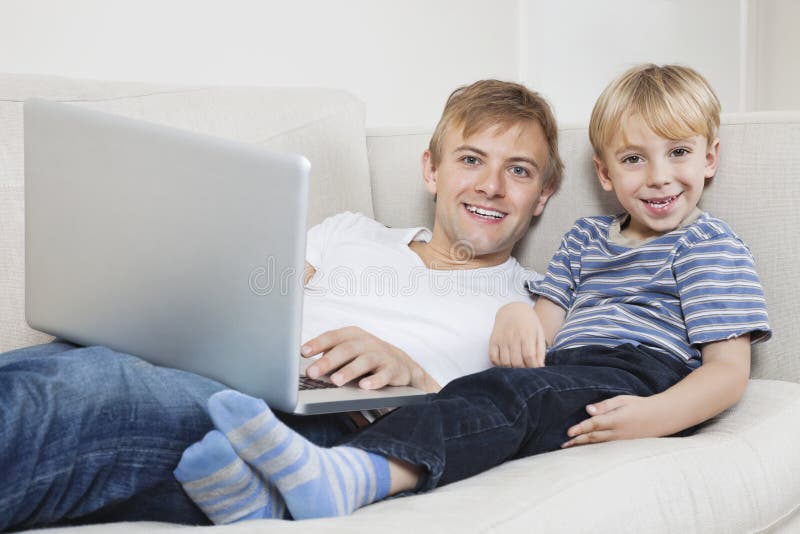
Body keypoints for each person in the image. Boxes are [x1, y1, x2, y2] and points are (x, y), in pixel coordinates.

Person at [178, 64, 771, 523]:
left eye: (680, 153)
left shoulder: (709, 247)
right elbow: (544, 328)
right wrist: (519, 312)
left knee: (505, 396)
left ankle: (352, 475)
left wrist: (657, 416)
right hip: (566, 368)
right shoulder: (585, 237)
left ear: (710, 157)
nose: (660, 175)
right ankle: (272, 506)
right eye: (636, 159)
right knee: (509, 390)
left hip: (642, 376)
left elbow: (727, 368)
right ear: (606, 174)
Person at [0, 79, 563, 531]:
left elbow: (501, 419)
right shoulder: (350, 231)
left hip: (317, 426)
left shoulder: (532, 310)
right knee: (52, 366)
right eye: (471, 159)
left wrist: (410, 386)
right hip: (228, 366)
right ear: (431, 169)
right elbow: (257, 292)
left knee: (89, 393)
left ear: (541, 197)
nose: (491, 185)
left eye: (518, 170)